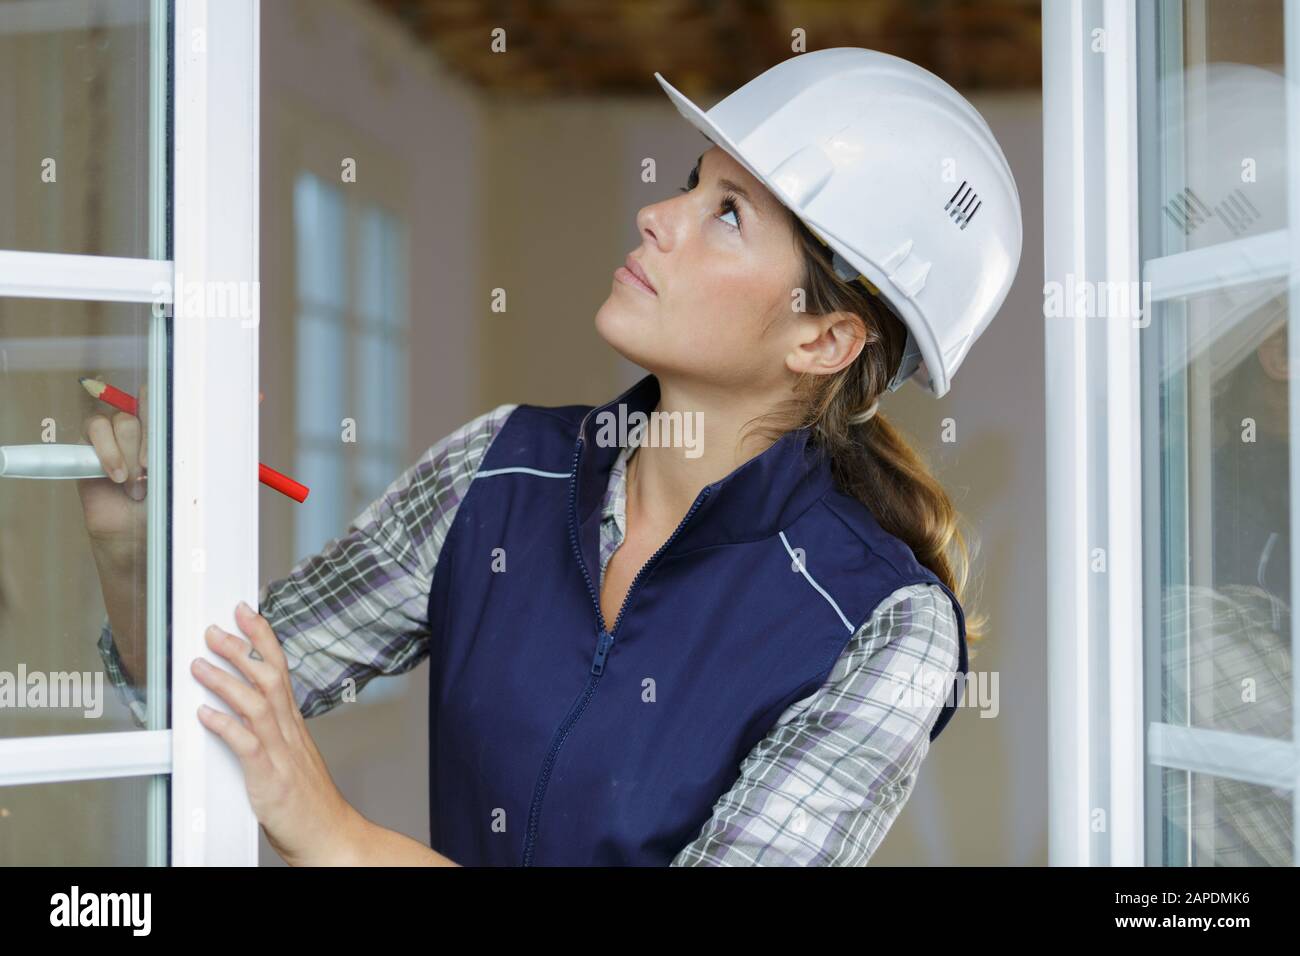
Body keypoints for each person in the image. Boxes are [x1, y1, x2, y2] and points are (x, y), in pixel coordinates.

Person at [79, 48, 1022, 866]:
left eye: (729, 214)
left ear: (823, 341)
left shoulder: (886, 628)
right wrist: (132, 557)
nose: (659, 213)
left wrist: (338, 839)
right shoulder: (499, 468)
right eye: (695, 181)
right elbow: (202, 702)